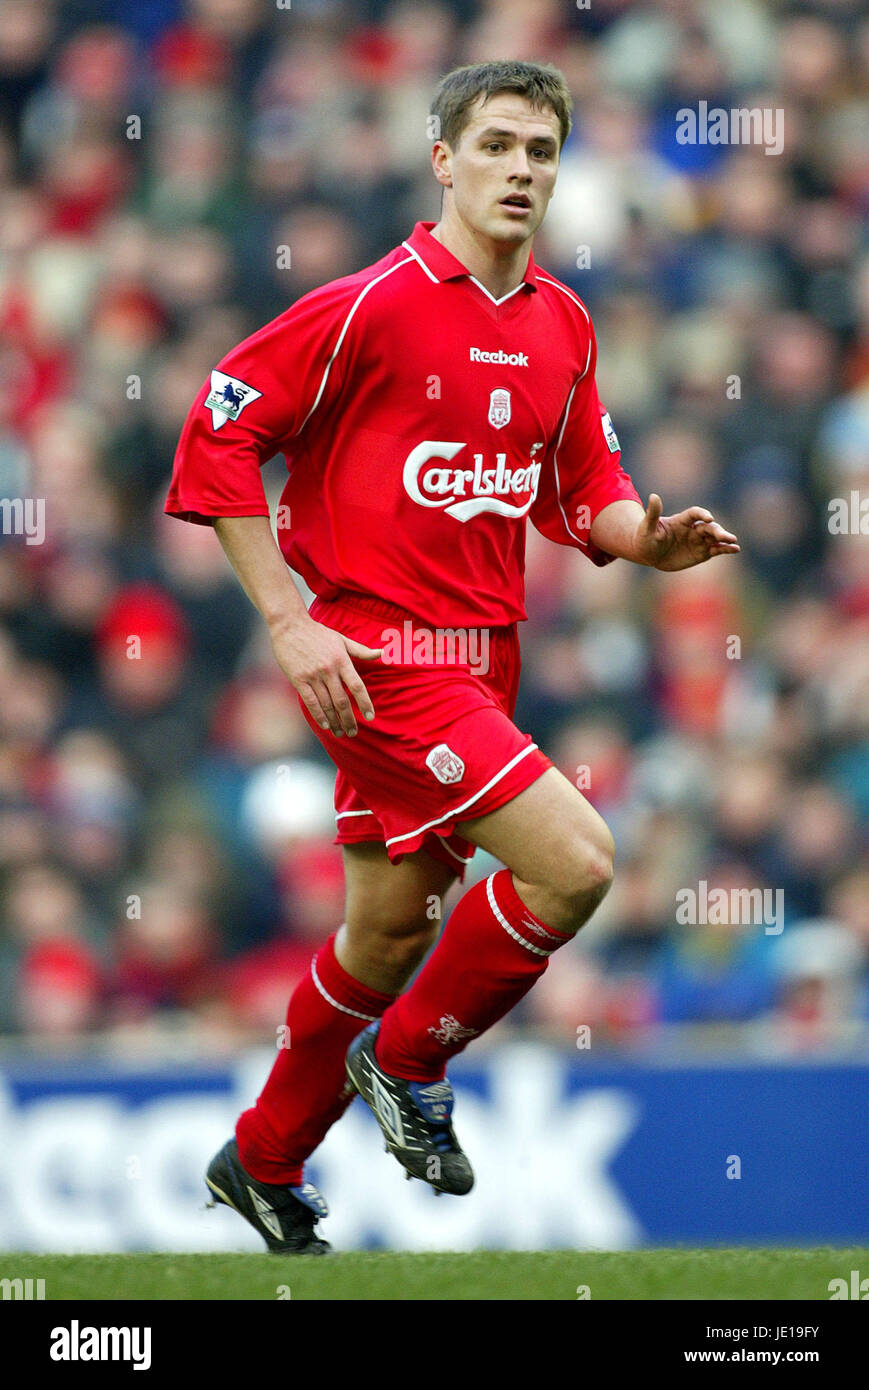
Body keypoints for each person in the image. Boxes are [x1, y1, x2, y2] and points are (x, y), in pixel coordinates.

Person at [165, 60, 739, 1254]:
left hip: (482, 660)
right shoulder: (367, 305)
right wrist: (285, 615)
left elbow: (587, 489)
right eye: (494, 146)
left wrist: (649, 539)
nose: (519, 169)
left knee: (385, 933)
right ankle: (410, 1060)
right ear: (441, 160)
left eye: (539, 149)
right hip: (375, 655)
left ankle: (262, 1161)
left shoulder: (563, 324)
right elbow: (218, 425)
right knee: (576, 862)